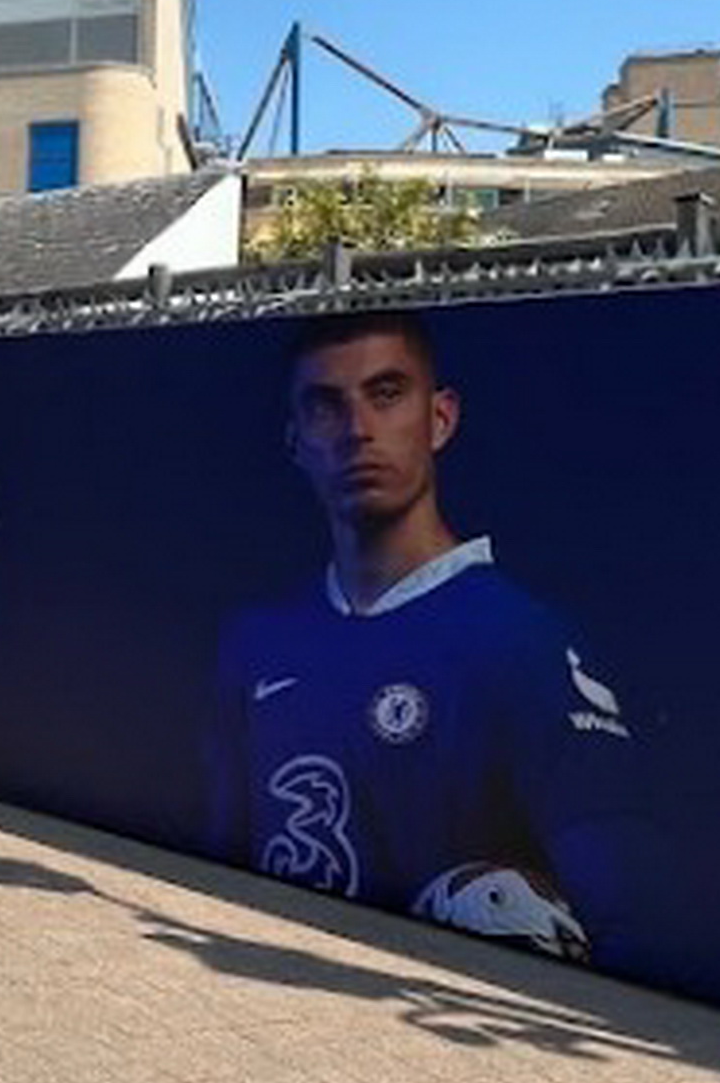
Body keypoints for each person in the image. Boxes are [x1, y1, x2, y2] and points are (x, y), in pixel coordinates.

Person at [208, 309, 640, 962]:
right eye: (326, 406)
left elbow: (620, 903)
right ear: (294, 440)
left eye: (385, 395)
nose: (357, 429)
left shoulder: (522, 639)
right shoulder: (255, 641)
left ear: (439, 418)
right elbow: (220, 867)